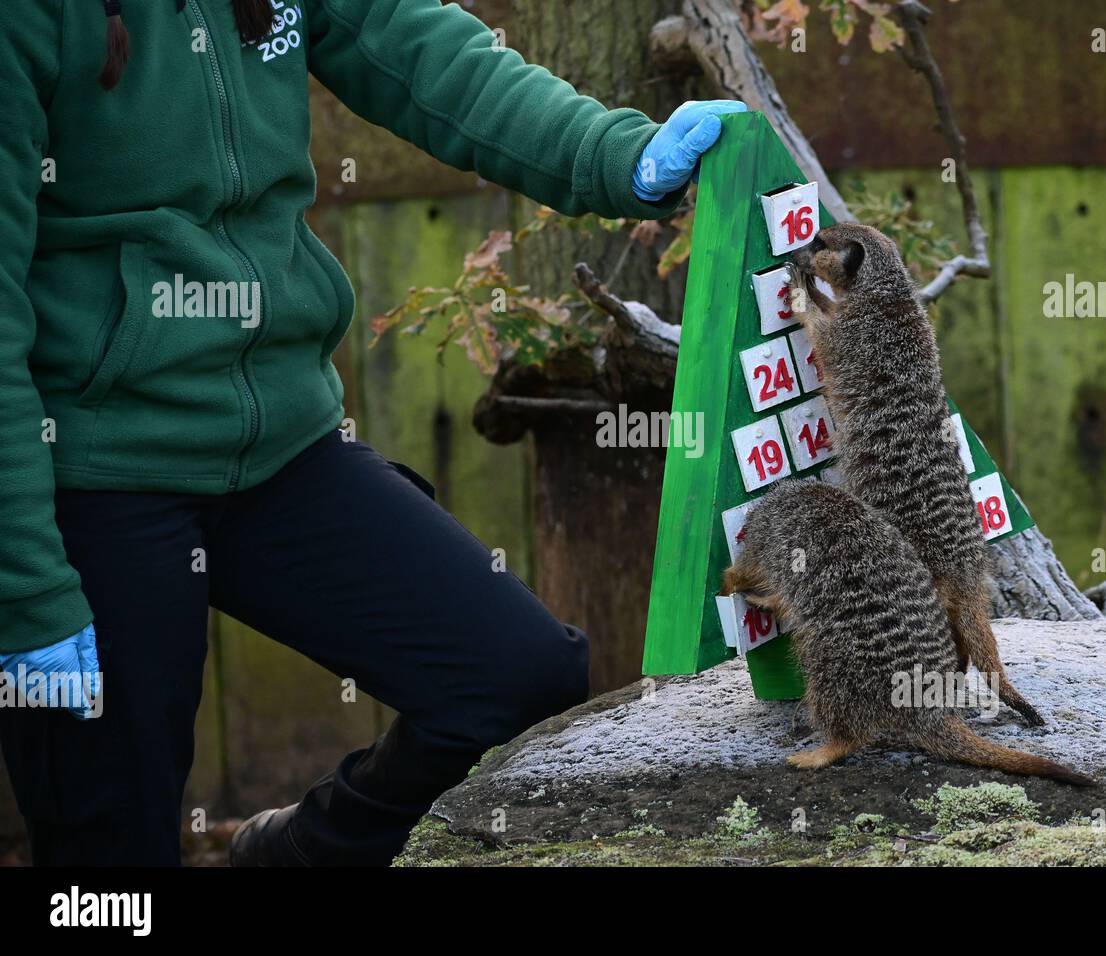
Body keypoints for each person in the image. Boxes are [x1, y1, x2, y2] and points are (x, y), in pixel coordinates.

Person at [0, 0, 744, 866]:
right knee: (109, 859)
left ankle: (288, 858)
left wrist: (617, 154)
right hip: (93, 474)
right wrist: (26, 596)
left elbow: (430, 56)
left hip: (283, 449)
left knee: (513, 679)